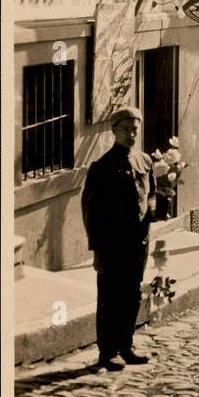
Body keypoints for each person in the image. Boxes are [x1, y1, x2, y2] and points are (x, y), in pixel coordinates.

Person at [80, 105, 158, 370]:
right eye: (125, 130)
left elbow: (152, 193)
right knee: (110, 298)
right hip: (112, 245)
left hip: (139, 242)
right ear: (113, 131)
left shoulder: (144, 161)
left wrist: (154, 208)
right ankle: (108, 352)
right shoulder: (102, 167)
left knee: (132, 295)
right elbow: (90, 212)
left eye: (135, 129)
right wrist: (97, 251)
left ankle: (126, 345)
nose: (131, 134)